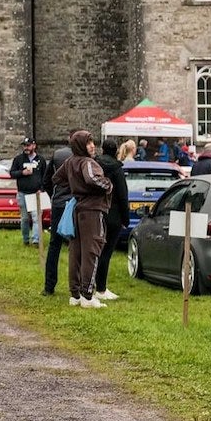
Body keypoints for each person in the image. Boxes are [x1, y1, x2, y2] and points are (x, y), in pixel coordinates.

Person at [54, 130, 113, 308]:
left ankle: (75, 294)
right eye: (88, 143)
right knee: (92, 252)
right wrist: (108, 185)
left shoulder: (70, 162)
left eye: (92, 142)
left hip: (78, 210)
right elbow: (92, 179)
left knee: (76, 252)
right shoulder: (87, 162)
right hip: (92, 211)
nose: (92, 146)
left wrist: (75, 187)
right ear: (81, 145)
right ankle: (87, 295)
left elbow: (56, 178)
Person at [93, 137, 130, 302]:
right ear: (115, 151)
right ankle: (101, 288)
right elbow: (122, 195)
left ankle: (90, 284)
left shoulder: (94, 165)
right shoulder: (117, 169)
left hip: (96, 211)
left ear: (102, 149)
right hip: (113, 214)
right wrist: (126, 219)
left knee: (94, 251)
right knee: (106, 252)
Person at [41, 144, 73, 295]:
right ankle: (79, 286)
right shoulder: (85, 158)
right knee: (78, 245)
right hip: (76, 203)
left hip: (59, 203)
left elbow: (46, 181)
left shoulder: (58, 155)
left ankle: (49, 286)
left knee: (54, 245)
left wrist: (53, 196)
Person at [9, 138, 45, 247]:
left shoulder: (41, 160)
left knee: (36, 217)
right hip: (22, 193)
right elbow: (12, 173)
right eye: (24, 146)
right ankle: (25, 239)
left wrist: (42, 189)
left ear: (34, 146)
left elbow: (45, 176)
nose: (26, 148)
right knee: (24, 219)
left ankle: (36, 240)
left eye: (28, 145)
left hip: (36, 193)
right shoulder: (18, 159)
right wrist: (22, 172)